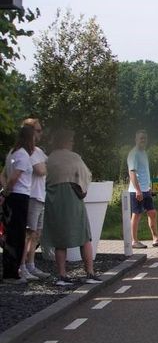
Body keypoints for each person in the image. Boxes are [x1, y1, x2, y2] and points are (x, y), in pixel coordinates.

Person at [41, 129, 102, 286]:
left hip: (54, 201)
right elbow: (85, 175)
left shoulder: (49, 158)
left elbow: (43, 178)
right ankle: (90, 272)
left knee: (60, 240)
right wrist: (83, 189)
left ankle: (62, 275)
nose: (72, 143)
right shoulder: (74, 157)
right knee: (84, 236)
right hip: (72, 200)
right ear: (66, 141)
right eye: (71, 140)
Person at [2, 125, 36, 283]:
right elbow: (15, 177)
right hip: (19, 196)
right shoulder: (23, 155)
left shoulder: (12, 153)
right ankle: (12, 274)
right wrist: (7, 191)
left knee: (11, 234)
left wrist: (5, 191)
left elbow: (3, 174)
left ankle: (10, 271)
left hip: (13, 196)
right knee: (17, 235)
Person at [127, 130, 158, 249]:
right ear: (136, 139)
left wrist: (149, 186)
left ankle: (156, 239)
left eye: (145, 138)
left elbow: (144, 172)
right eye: (141, 138)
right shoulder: (134, 153)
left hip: (146, 189)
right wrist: (138, 190)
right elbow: (132, 173)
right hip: (136, 190)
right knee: (136, 214)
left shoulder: (144, 153)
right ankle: (134, 241)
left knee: (152, 213)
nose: (143, 140)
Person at [20, 119, 51, 280]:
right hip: (31, 196)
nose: (41, 133)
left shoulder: (37, 150)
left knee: (36, 234)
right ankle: (22, 266)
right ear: (30, 132)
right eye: (38, 131)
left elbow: (49, 165)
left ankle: (31, 265)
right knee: (28, 233)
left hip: (40, 196)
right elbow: (40, 170)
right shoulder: (28, 152)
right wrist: (47, 167)